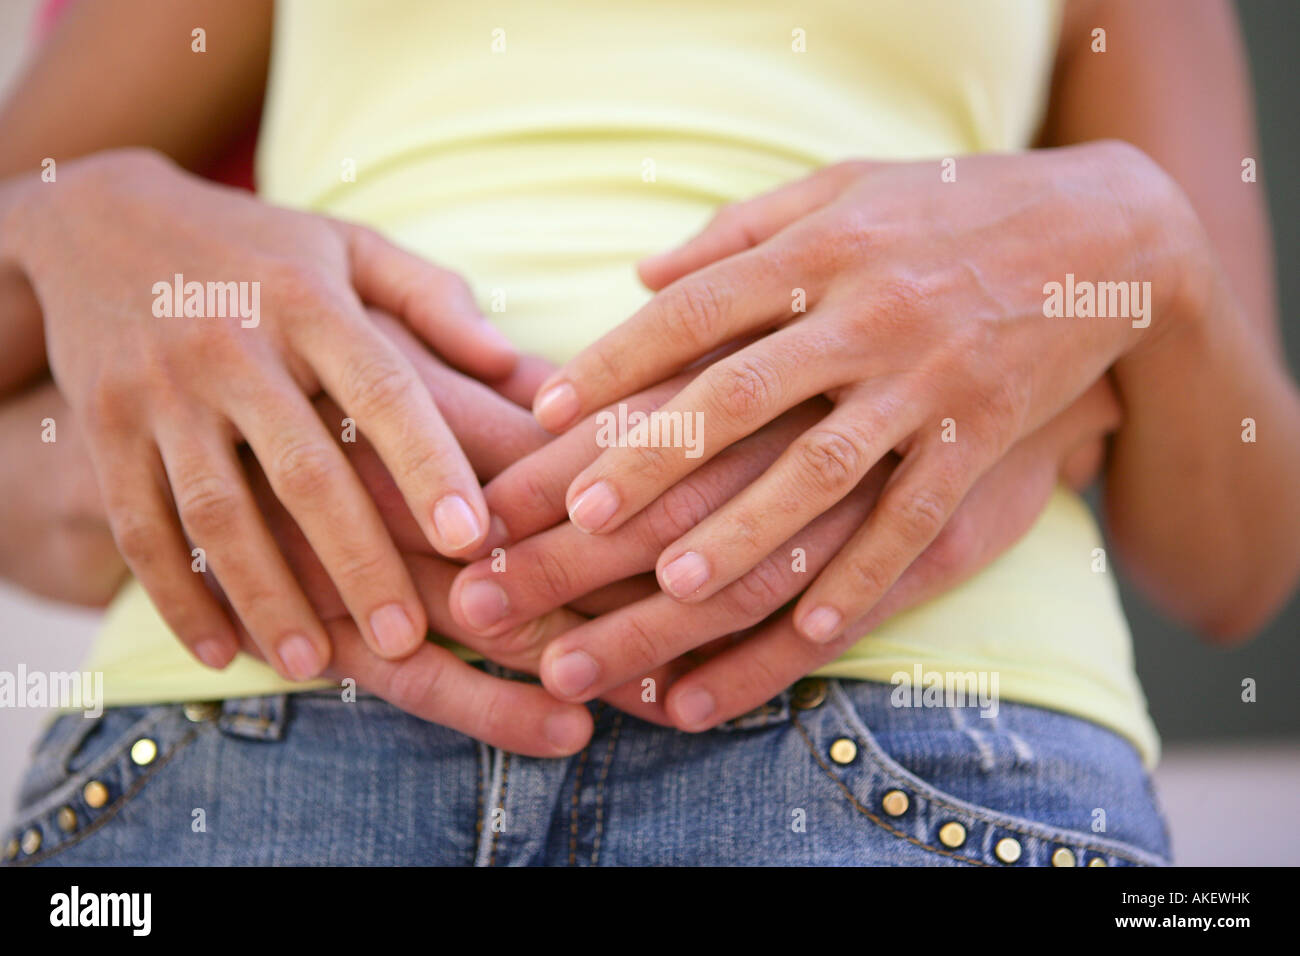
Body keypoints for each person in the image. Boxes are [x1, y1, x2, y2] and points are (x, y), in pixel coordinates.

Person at [1, 0, 1296, 866]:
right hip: (239, 731)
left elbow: (1241, 563)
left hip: (940, 738)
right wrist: (75, 219)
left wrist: (1151, 245)